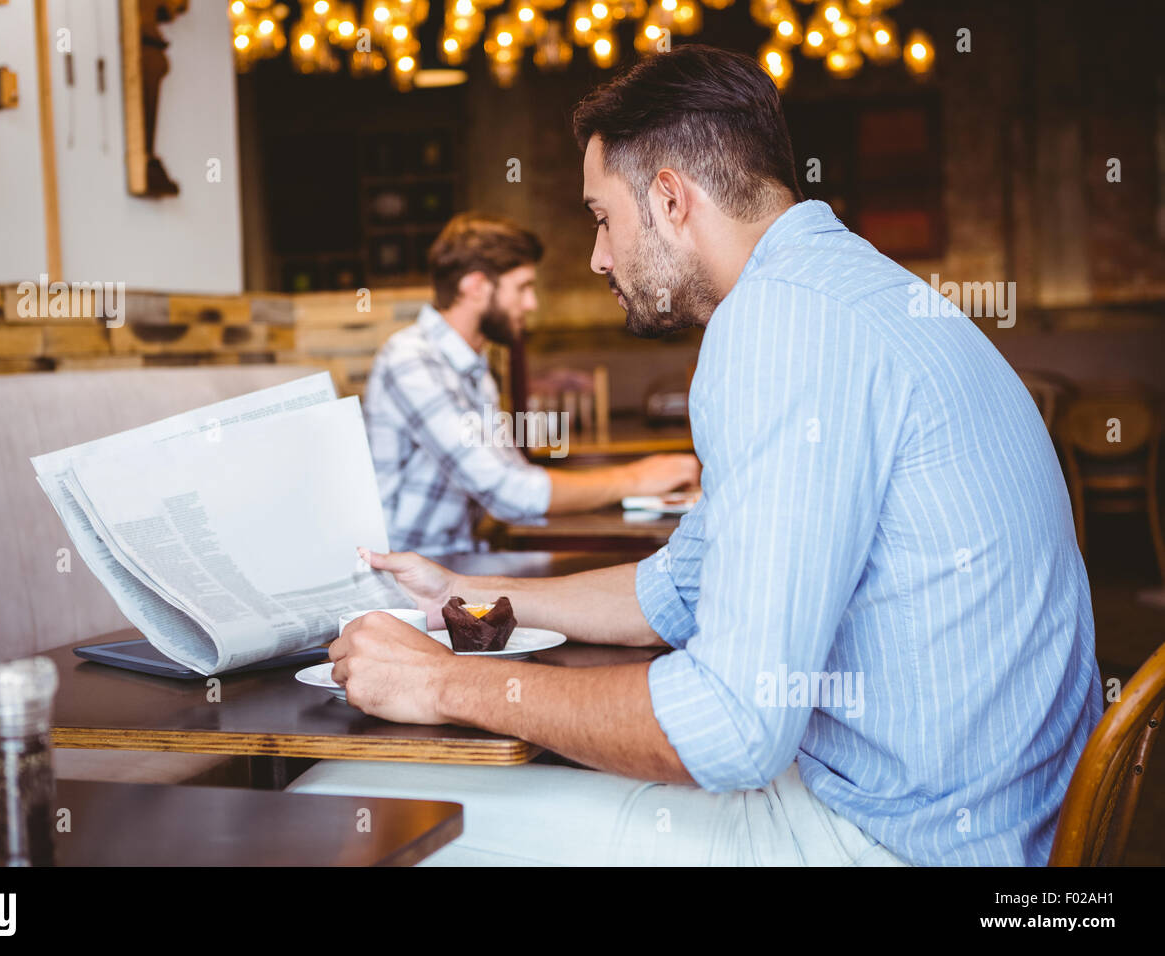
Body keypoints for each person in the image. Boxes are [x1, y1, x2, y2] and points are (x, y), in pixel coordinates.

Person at [291, 46, 1102, 866]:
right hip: (994, 817)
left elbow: (731, 728)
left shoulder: (774, 326)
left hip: (895, 841)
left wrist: (438, 682)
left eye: (602, 216)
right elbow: (673, 591)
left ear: (671, 199)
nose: (599, 257)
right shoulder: (856, 291)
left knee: (336, 801)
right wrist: (470, 593)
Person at [364, 212, 700, 555]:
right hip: (409, 578)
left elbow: (512, 475)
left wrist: (641, 487)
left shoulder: (472, 366)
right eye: (523, 287)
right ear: (475, 286)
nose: (532, 304)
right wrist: (638, 479)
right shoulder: (411, 361)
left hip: (459, 558)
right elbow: (507, 492)